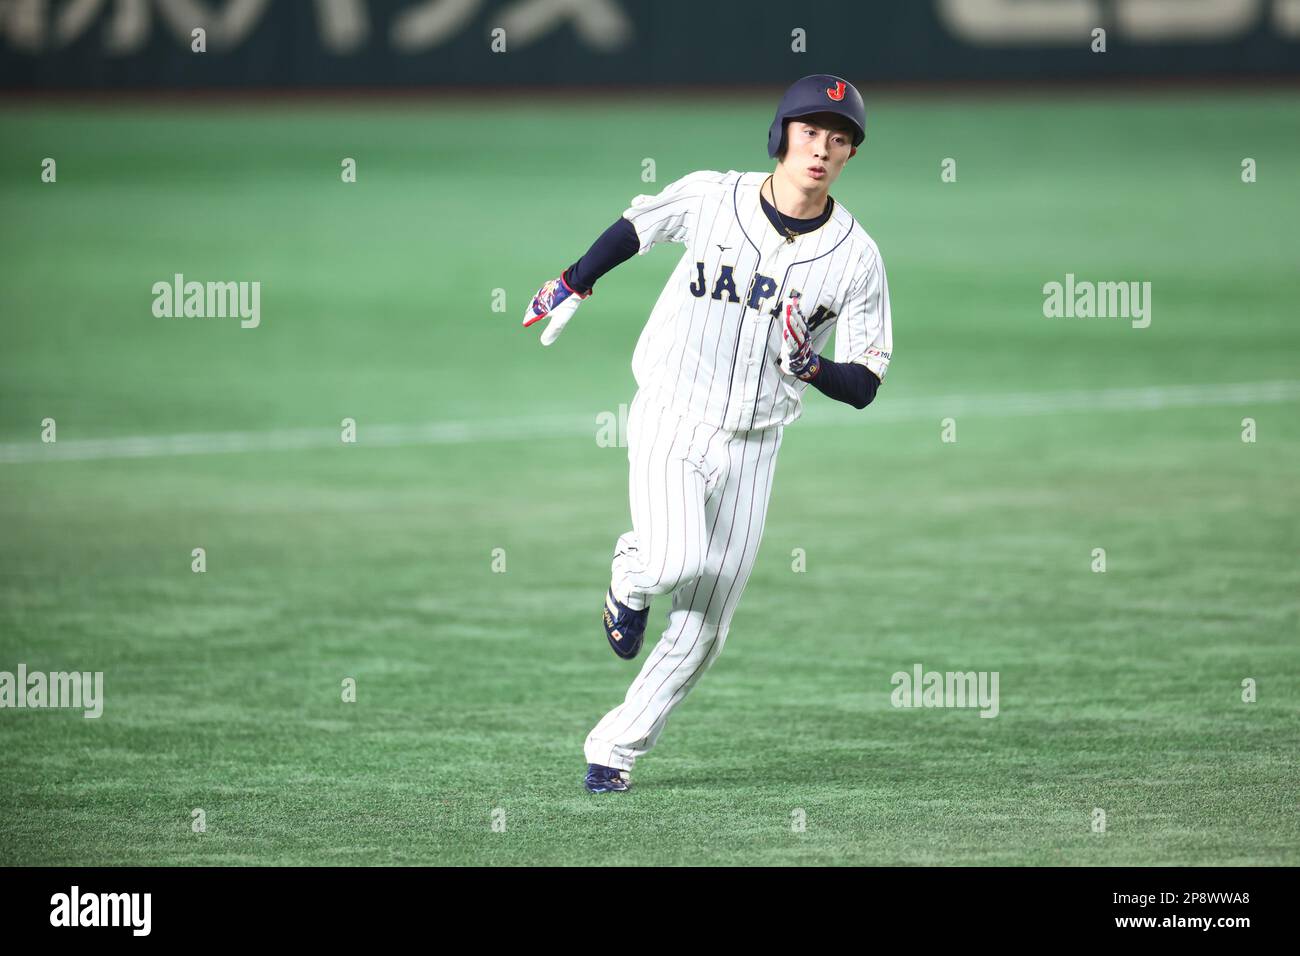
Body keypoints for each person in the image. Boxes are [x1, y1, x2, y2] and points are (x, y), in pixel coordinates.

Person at [522, 75, 893, 793]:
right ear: (782, 133)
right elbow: (640, 226)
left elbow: (867, 382)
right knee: (670, 560)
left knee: (706, 624)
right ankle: (630, 575)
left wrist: (814, 368)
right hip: (673, 413)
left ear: (850, 154)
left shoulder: (856, 257)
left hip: (757, 443)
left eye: (839, 138)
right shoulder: (713, 196)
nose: (822, 149)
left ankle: (614, 749)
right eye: (811, 131)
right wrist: (575, 280)